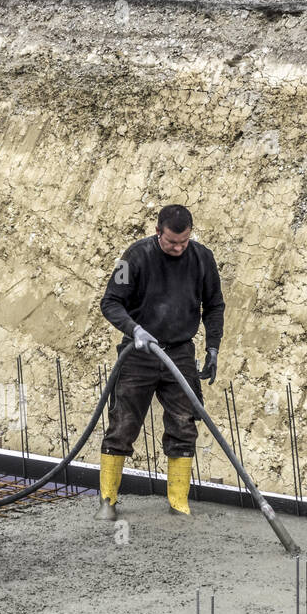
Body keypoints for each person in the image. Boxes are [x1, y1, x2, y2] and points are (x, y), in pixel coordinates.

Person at [95, 204, 225, 519]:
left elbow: (214, 305)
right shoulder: (135, 257)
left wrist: (212, 347)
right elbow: (110, 302)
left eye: (184, 242)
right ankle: (107, 502)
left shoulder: (202, 258)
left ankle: (179, 503)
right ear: (158, 232)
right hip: (139, 352)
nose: (178, 248)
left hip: (179, 353)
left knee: (183, 425)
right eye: (171, 243)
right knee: (123, 423)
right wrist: (135, 329)